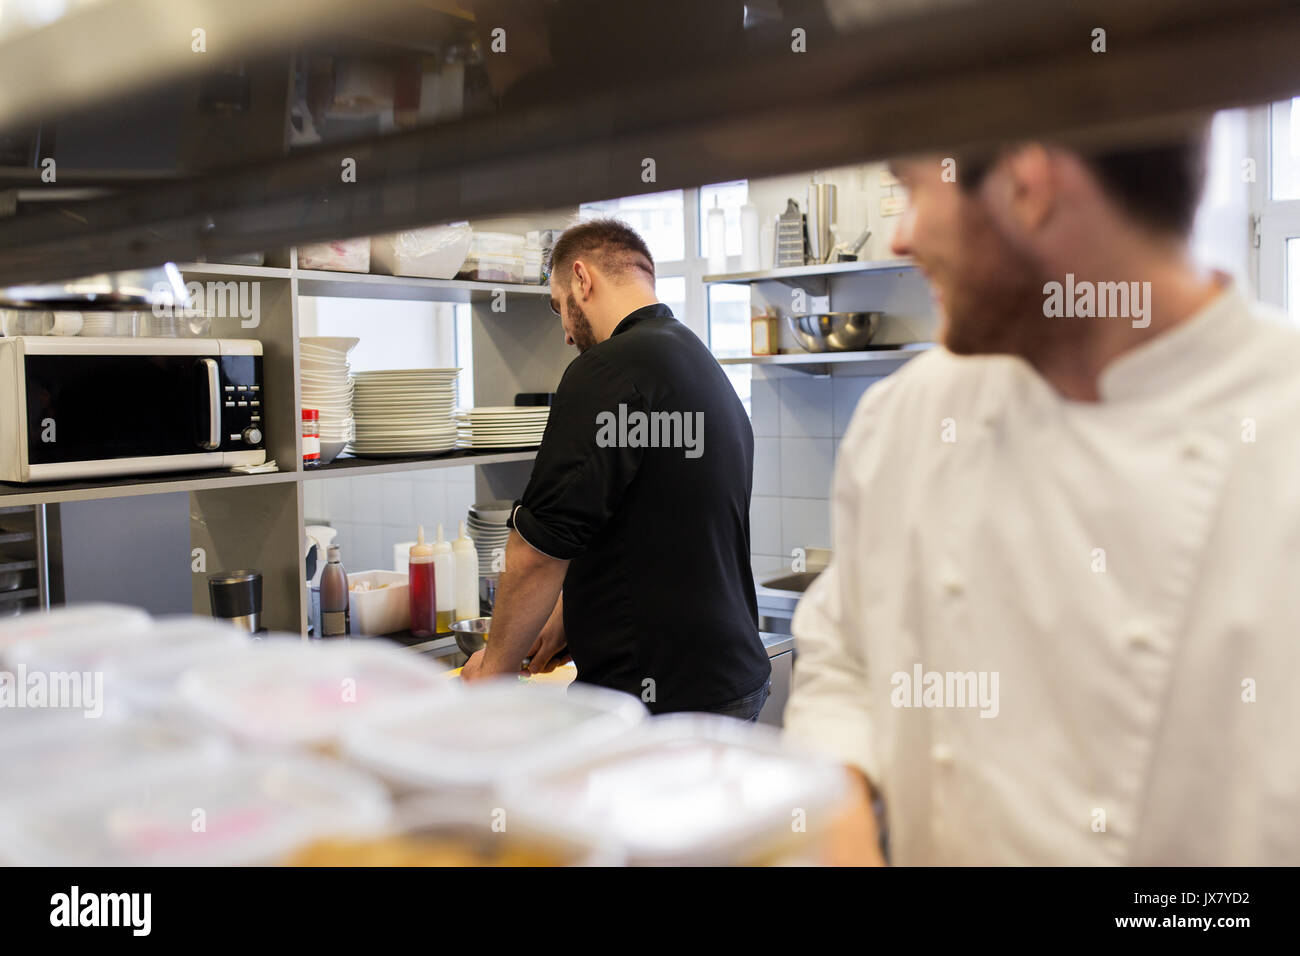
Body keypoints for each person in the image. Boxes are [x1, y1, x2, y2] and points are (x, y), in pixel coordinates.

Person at [785, 127, 1300, 864]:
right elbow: (842, 659)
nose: (899, 238)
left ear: (1028, 184)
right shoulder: (910, 418)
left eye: (910, 190)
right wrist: (842, 828)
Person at [461, 219, 772, 720]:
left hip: (658, 700)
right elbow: (659, 524)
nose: (564, 332)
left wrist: (496, 667)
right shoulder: (698, 363)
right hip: (728, 680)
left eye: (558, 305)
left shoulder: (605, 370)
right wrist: (567, 615)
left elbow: (538, 549)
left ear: (582, 280)